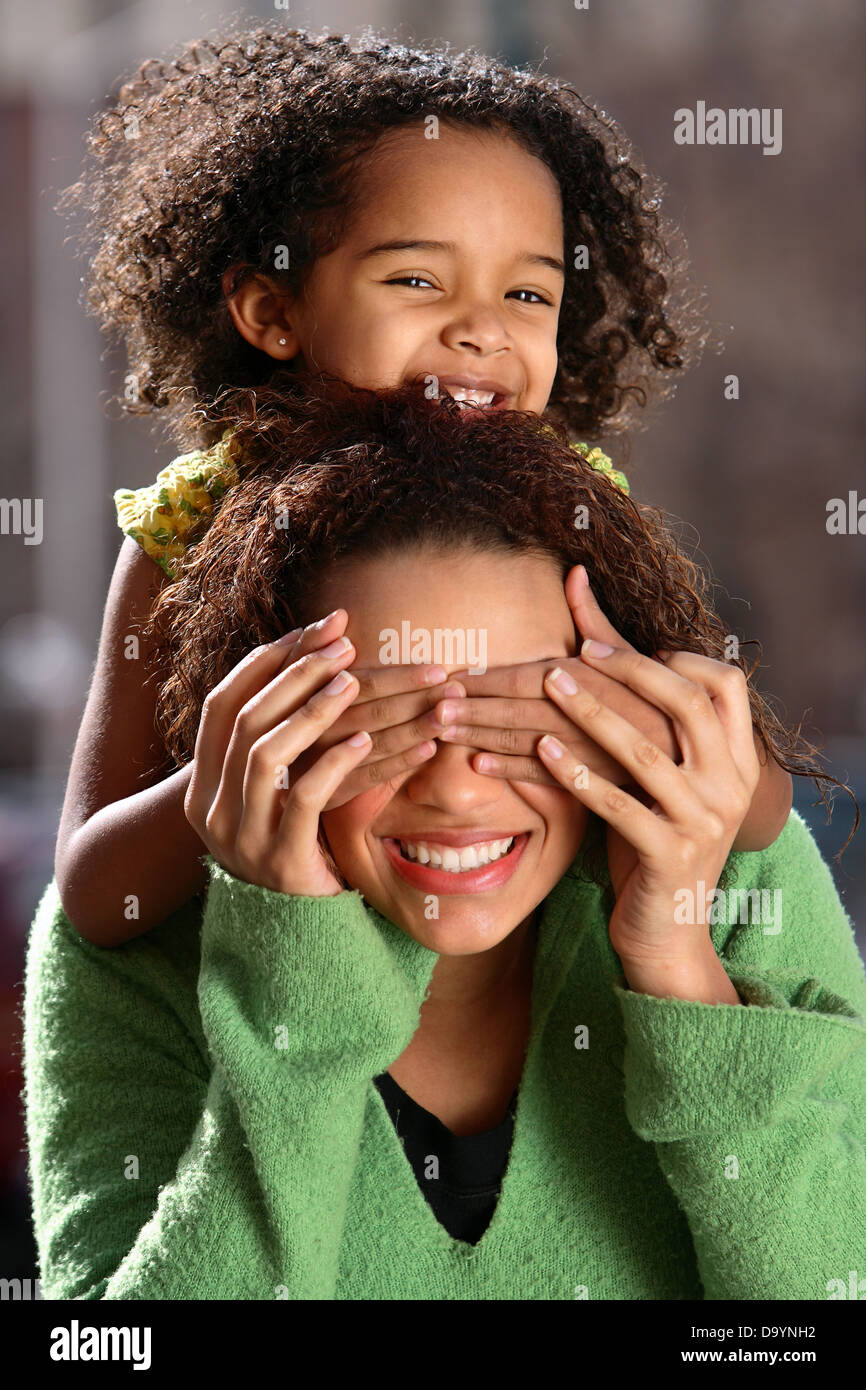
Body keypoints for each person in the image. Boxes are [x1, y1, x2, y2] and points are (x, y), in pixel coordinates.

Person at [24, 386, 866, 1299]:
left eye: (517, 722)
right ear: (266, 731)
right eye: (383, 728)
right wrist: (298, 994)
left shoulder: (736, 883)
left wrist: (679, 964)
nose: (458, 789)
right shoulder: (130, 946)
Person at [53, 23, 792, 946]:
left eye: (528, 295)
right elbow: (93, 894)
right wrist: (238, 780)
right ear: (274, 310)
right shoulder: (195, 521)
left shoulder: (572, 503)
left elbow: (760, 818)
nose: (483, 330)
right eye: (416, 279)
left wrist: (649, 719)